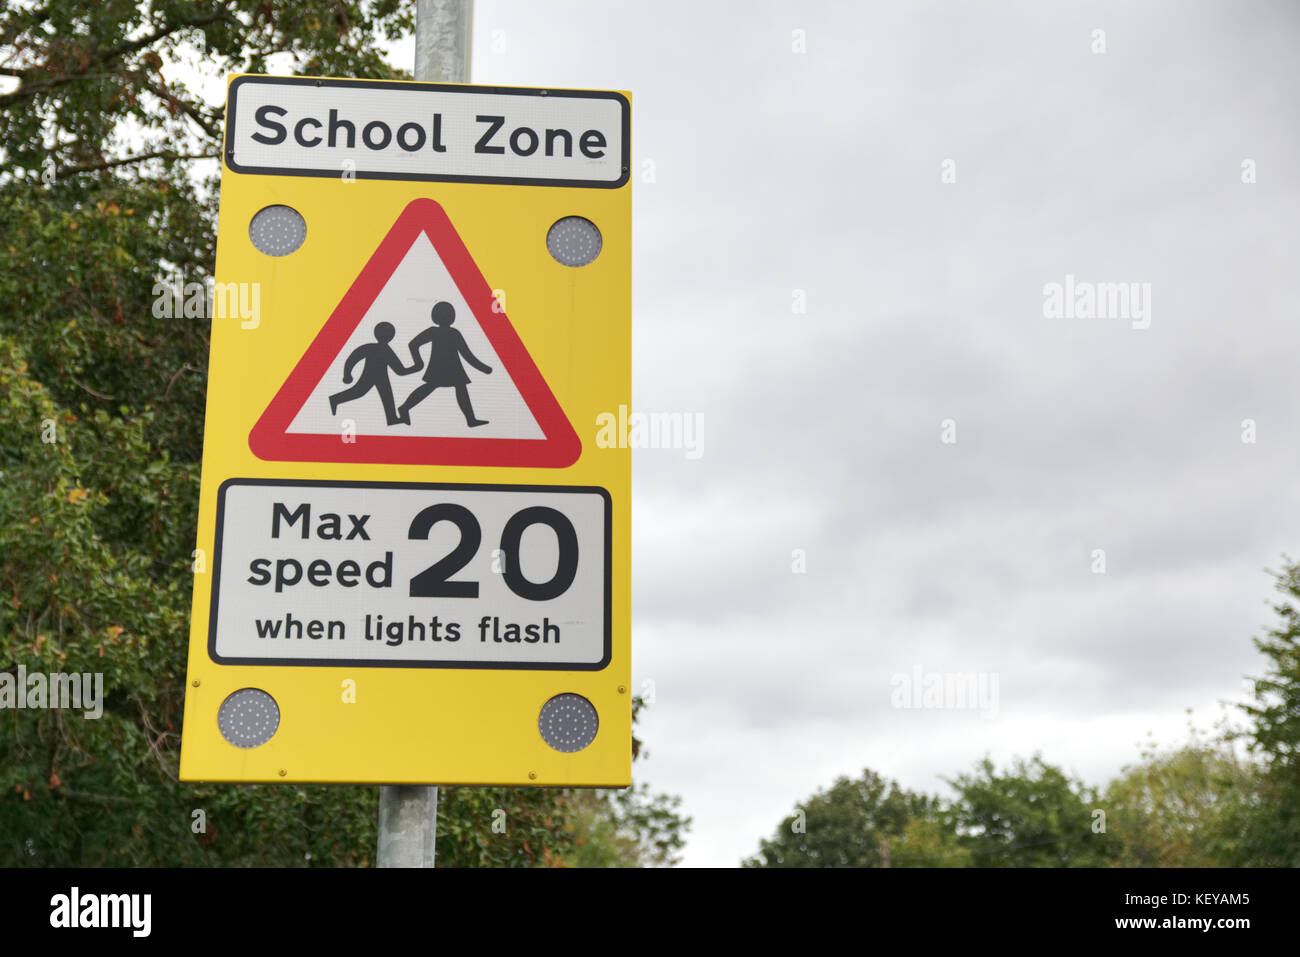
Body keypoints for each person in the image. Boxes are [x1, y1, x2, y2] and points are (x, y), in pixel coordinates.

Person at [397, 301, 493, 427]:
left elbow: (466, 354)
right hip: (446, 368)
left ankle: (470, 419)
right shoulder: (449, 333)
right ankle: (404, 408)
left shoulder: (443, 332)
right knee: (440, 387)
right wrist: (483, 368)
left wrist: (418, 362)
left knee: (453, 388)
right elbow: (467, 355)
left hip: (448, 368)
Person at [328, 321, 418, 425]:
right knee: (359, 392)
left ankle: (392, 418)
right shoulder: (376, 348)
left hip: (381, 377)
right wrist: (347, 374)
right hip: (370, 376)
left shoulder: (380, 349)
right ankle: (334, 399)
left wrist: (347, 373)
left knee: (386, 396)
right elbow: (353, 358)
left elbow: (399, 370)